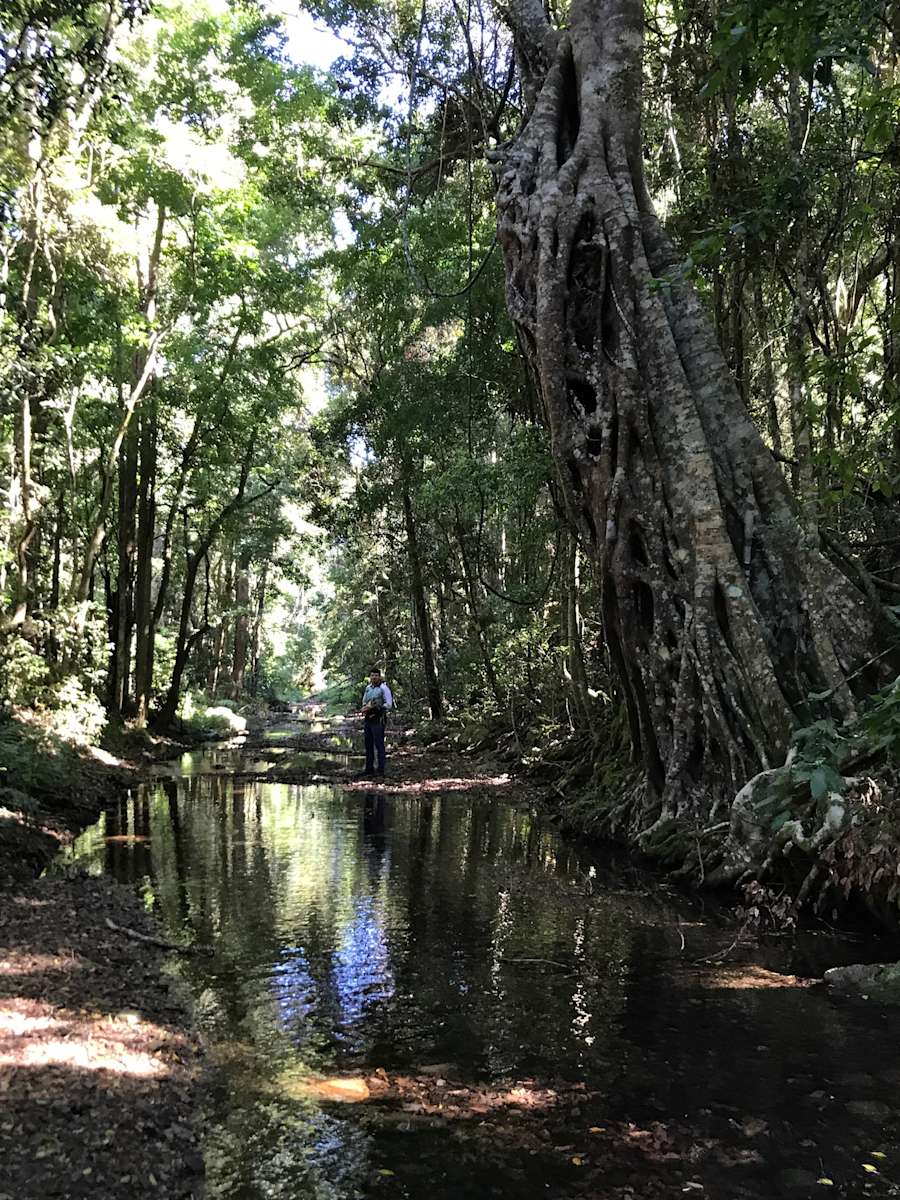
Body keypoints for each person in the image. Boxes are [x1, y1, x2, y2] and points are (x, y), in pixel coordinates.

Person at [360, 668, 392, 778]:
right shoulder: (368, 688)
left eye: (376, 675)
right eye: (372, 675)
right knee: (368, 744)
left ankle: (381, 770)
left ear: (379, 676)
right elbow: (364, 702)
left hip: (379, 718)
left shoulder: (384, 688)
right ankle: (369, 769)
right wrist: (366, 707)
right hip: (368, 718)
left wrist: (377, 706)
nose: (374, 677)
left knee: (379, 745)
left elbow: (389, 704)